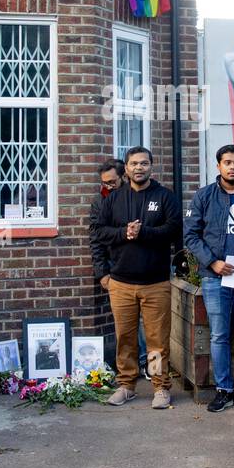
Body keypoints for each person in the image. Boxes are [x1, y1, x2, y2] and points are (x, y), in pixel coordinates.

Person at [90, 147, 181, 409]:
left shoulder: (165, 197)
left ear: (152, 166)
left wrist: (144, 233)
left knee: (156, 341)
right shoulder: (113, 199)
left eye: (144, 163)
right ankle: (126, 385)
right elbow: (99, 232)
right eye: (133, 164)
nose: (138, 168)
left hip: (156, 283)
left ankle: (160, 387)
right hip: (121, 282)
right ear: (126, 169)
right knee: (125, 338)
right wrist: (124, 233)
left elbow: (174, 231)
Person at [184, 144, 234, 413]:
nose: (233, 166)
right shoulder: (205, 196)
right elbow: (191, 236)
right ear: (218, 165)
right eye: (227, 162)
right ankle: (224, 390)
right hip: (214, 277)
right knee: (218, 335)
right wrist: (213, 262)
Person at [91, 159, 147, 378]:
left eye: (112, 182)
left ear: (123, 176)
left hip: (142, 264)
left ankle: (146, 363)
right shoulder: (100, 201)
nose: (108, 187)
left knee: (146, 321)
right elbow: (96, 239)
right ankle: (129, 368)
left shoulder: (137, 196)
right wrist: (101, 272)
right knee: (124, 321)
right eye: (104, 183)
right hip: (115, 267)